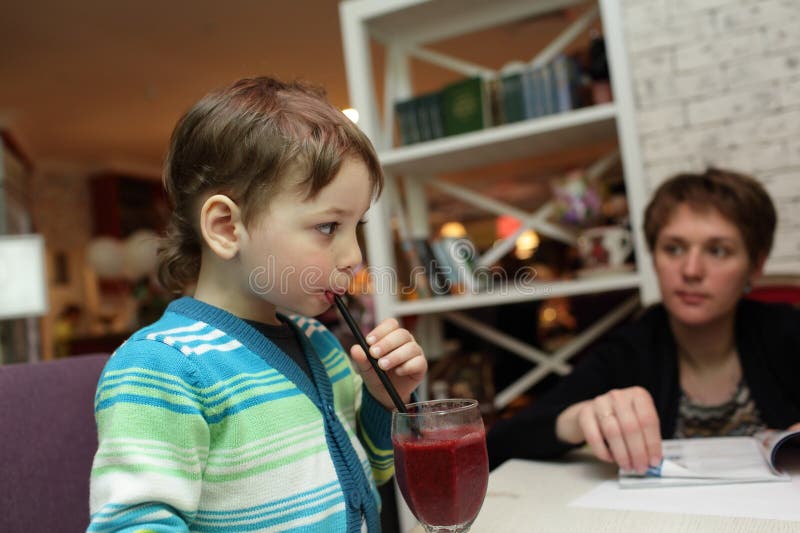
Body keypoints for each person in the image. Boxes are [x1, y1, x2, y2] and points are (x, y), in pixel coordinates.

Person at [87, 77, 428, 532]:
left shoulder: (321, 344)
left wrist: (383, 400)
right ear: (227, 227)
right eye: (328, 227)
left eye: (356, 226)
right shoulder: (162, 367)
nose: (354, 257)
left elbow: (373, 471)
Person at [487, 168, 800, 473]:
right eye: (673, 248)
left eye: (718, 250)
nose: (691, 270)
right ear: (653, 257)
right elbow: (499, 444)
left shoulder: (787, 331)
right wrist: (577, 418)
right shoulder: (629, 350)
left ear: (755, 266)